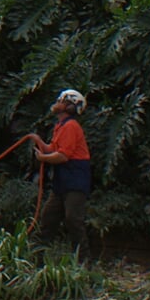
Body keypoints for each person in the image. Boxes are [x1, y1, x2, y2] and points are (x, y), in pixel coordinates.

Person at [30, 88, 92, 262]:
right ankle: (36, 259)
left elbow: (62, 156)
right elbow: (53, 149)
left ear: (70, 106)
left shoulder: (71, 126)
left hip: (75, 181)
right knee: (48, 218)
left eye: (61, 100)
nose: (57, 103)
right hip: (62, 182)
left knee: (73, 219)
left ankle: (84, 263)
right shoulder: (61, 126)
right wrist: (39, 142)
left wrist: (43, 157)